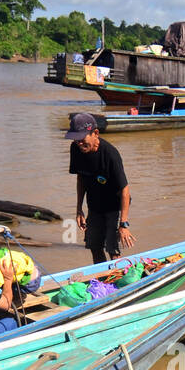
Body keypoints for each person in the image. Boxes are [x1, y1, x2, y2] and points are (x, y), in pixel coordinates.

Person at [67, 113, 136, 263]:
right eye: (76, 139)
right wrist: (79, 209)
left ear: (95, 134)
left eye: (82, 139)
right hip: (95, 205)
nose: (79, 143)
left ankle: (117, 278)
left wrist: (123, 224)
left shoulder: (110, 154)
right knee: (94, 245)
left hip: (113, 206)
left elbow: (125, 191)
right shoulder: (76, 149)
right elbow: (81, 178)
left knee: (113, 248)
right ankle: (103, 281)